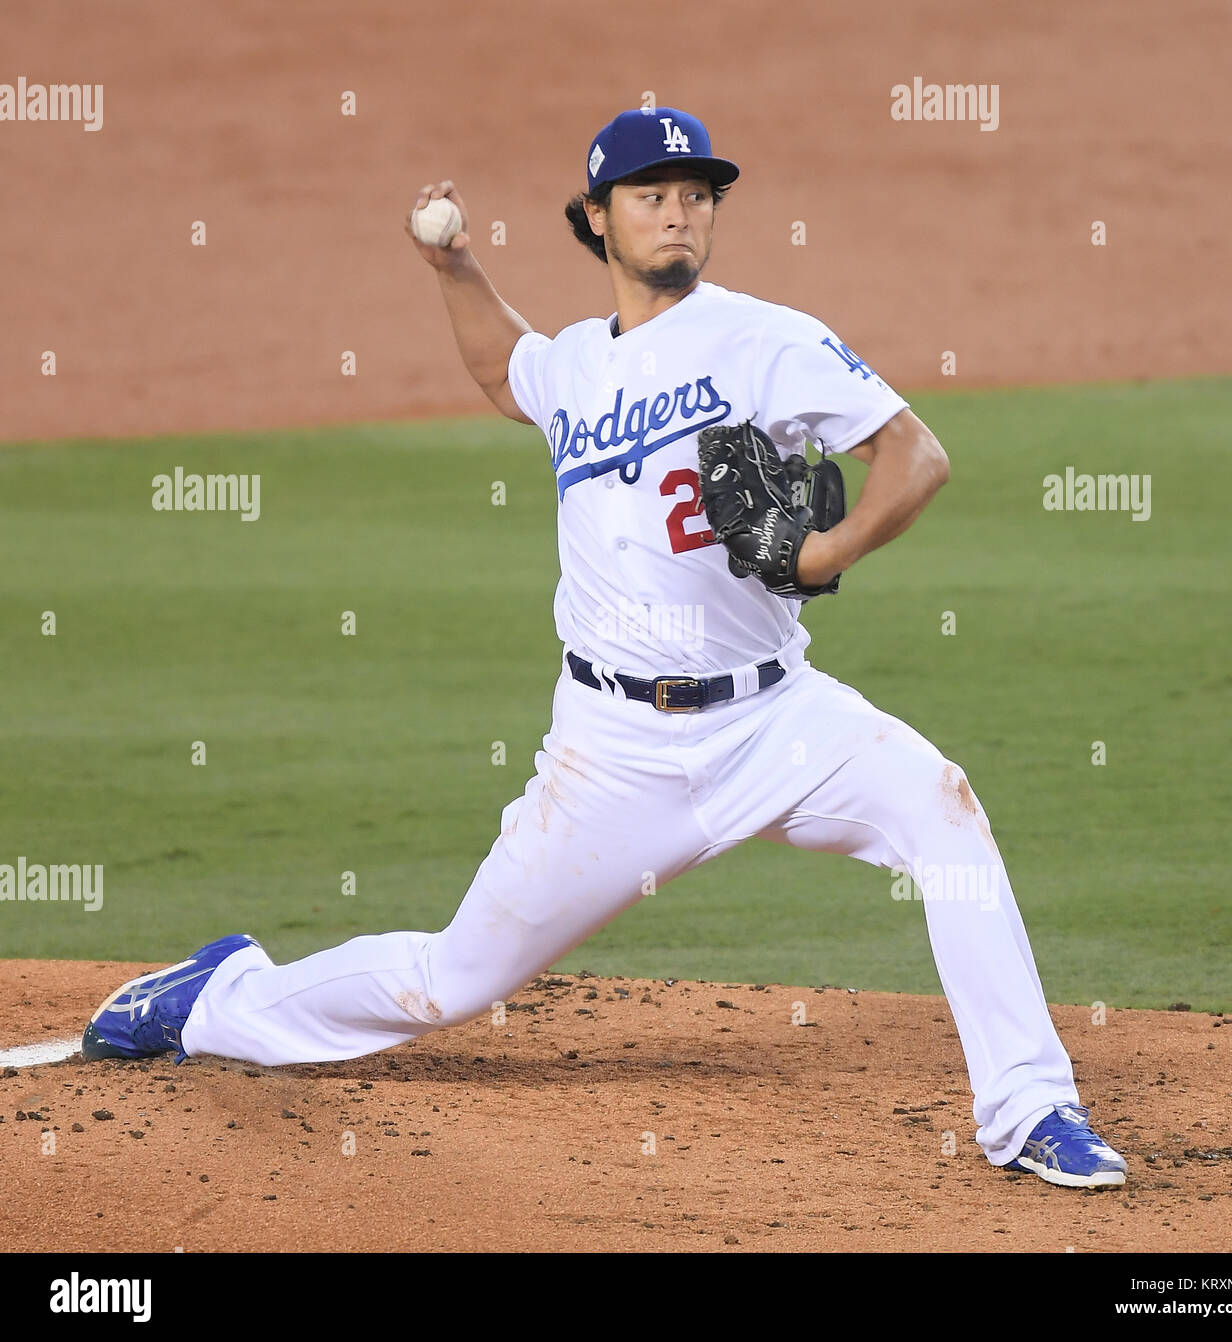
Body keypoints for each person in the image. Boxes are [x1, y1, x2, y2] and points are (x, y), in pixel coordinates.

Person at [83, 107, 1126, 1190]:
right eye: (650, 194)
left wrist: (827, 550)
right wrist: (454, 265)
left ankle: (1031, 1106)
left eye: (696, 193)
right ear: (596, 218)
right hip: (610, 751)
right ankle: (215, 998)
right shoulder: (576, 366)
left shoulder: (762, 338)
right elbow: (505, 373)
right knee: (452, 981)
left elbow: (914, 455)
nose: (679, 211)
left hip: (775, 720)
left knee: (941, 806)